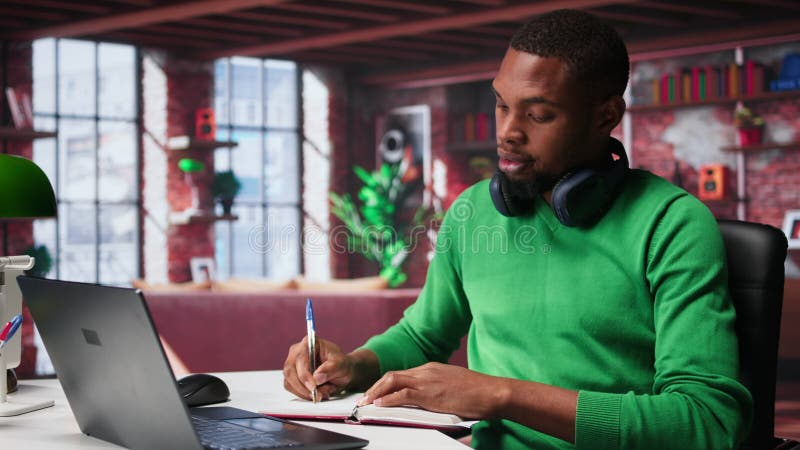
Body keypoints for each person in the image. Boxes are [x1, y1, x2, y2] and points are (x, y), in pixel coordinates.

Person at [283, 9, 752, 450]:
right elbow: (423, 336)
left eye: (538, 114)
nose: (508, 131)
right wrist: (351, 366)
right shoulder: (471, 212)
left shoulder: (673, 224)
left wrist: (501, 395)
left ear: (606, 116)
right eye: (502, 105)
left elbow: (708, 421)